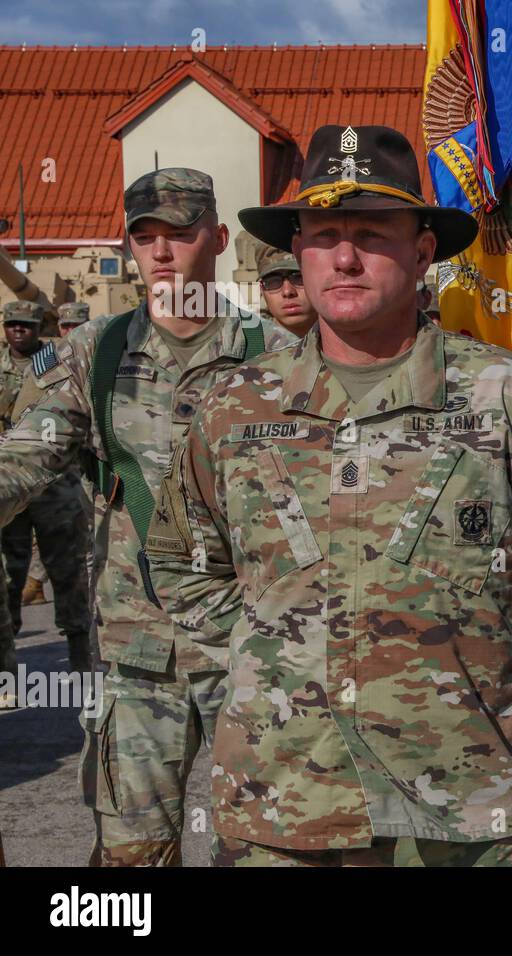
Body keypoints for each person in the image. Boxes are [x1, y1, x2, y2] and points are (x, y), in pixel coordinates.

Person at [147, 124, 512, 867]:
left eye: (373, 234)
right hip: (283, 797)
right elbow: (180, 560)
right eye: (324, 236)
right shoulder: (234, 408)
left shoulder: (506, 396)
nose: (344, 257)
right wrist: (273, 651)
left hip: (460, 799)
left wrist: (496, 656)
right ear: (298, 252)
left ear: (422, 251)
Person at [0, 168, 292, 865]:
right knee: (131, 855)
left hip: (251, 646)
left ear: (216, 238)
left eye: (180, 233)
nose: (161, 252)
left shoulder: (277, 354)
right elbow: (28, 454)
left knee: (267, 846)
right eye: (145, 236)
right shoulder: (95, 351)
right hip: (136, 649)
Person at [0, 300, 93, 674]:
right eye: (12, 324)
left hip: (56, 485)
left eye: (26, 324)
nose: (19, 330)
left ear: (40, 327)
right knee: (9, 577)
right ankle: (7, 673)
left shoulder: (56, 362)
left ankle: (82, 663)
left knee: (69, 574)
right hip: (8, 481)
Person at [256, 243, 317, 338]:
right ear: (262, 290)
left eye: (299, 278)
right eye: (273, 282)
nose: (287, 291)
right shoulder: (250, 343)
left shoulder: (340, 340)